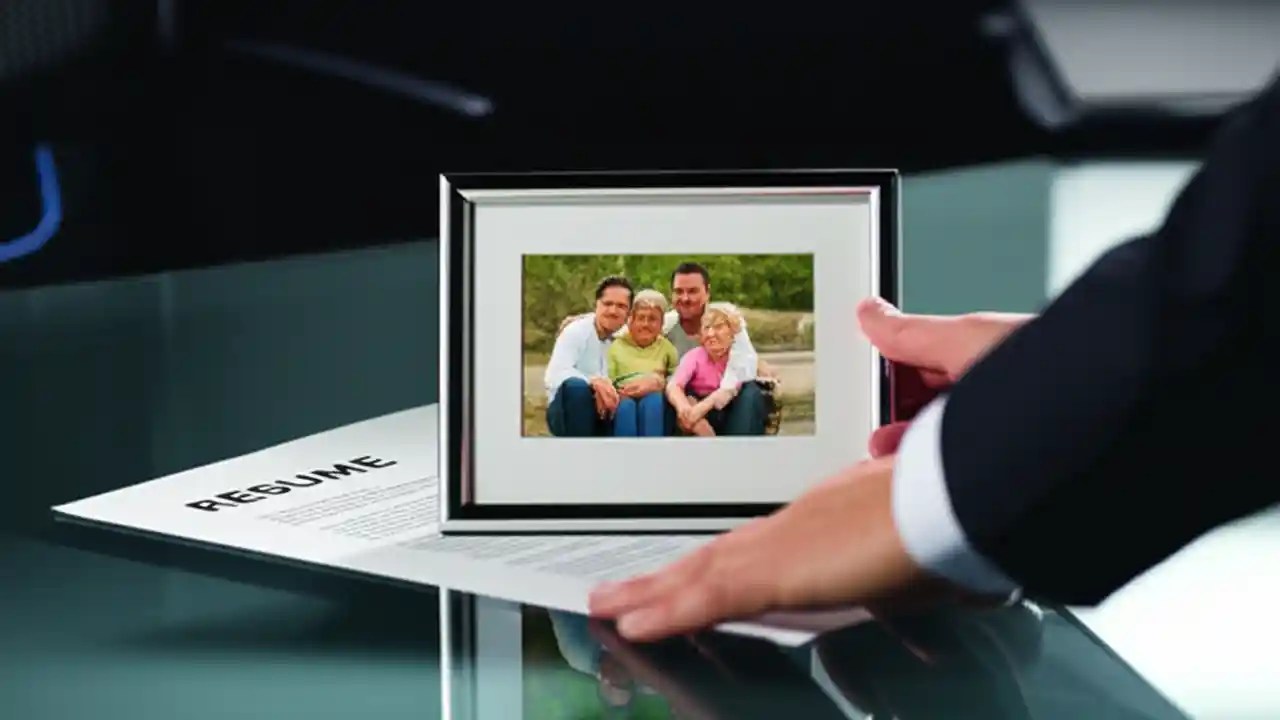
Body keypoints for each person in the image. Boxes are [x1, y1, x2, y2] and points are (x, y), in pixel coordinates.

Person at [588, 72, 1280, 642]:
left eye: (684, 300)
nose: (670, 313)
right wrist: (1033, 385)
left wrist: (940, 492)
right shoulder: (635, 345)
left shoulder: (727, 337)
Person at [664, 262, 768, 434]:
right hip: (688, 398)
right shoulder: (665, 324)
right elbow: (625, 334)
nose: (685, 298)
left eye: (693, 291)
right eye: (679, 291)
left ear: (707, 293)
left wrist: (705, 406)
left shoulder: (728, 319)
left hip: (728, 395)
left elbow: (743, 364)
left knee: (750, 391)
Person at [544, 275, 632, 436]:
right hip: (568, 410)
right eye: (607, 304)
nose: (613, 311)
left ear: (628, 312)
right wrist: (593, 382)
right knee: (576, 388)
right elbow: (554, 374)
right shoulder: (576, 331)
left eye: (621, 306)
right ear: (596, 305)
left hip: (605, 411)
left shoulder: (627, 338)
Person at [608, 289, 680, 437]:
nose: (646, 324)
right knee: (626, 408)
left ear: (661, 325)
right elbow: (608, 376)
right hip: (623, 395)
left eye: (653, 319)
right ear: (630, 321)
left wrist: (662, 383)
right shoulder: (616, 346)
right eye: (641, 318)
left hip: (654, 394)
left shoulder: (666, 347)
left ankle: (653, 455)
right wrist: (616, 392)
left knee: (653, 402)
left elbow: (677, 375)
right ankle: (623, 455)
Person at [665, 305, 746, 436]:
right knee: (686, 398)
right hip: (695, 408)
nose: (710, 334)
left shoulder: (737, 359)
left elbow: (727, 391)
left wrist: (698, 411)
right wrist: (684, 408)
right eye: (707, 328)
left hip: (725, 408)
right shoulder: (695, 356)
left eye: (718, 327)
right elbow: (674, 385)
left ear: (733, 333)